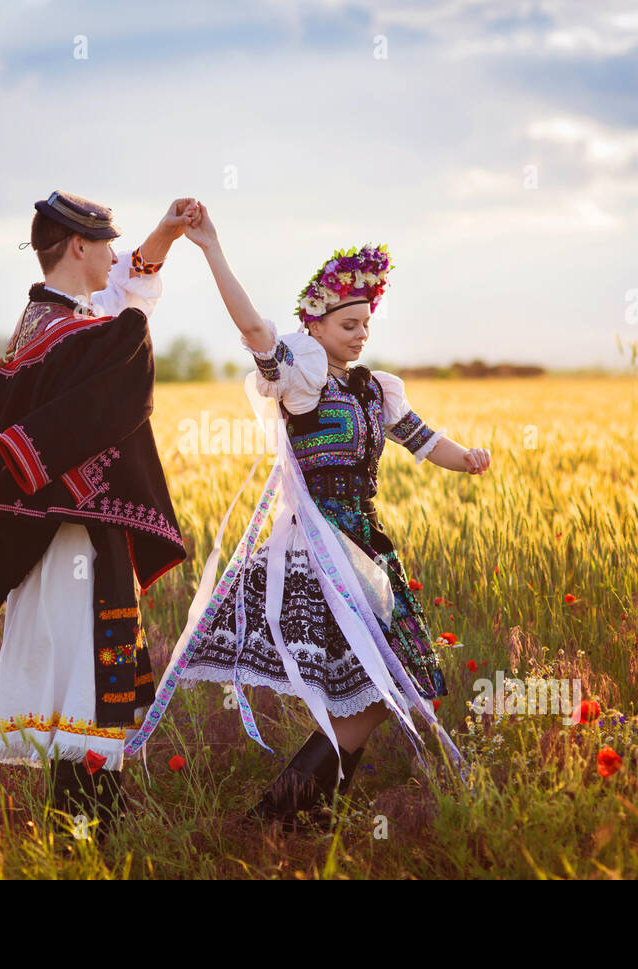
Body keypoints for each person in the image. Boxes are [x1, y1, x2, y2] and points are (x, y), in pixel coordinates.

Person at [125, 203, 491, 828]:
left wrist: (471, 459)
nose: (358, 334)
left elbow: (426, 441)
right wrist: (212, 248)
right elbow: (252, 328)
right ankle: (286, 816)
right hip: (318, 548)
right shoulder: (303, 381)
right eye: (347, 323)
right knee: (378, 682)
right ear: (315, 326)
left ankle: (289, 814)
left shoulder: (378, 390)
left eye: (364, 325)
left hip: (367, 544)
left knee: (390, 683)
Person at [0, 189, 197, 838]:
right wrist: (132, 323)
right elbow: (123, 353)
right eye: (105, 244)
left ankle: (80, 830)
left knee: (75, 688)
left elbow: (124, 291)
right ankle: (93, 835)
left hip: (44, 540)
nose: (114, 255)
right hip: (80, 541)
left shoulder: (36, 328)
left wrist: (164, 234)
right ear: (79, 245)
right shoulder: (87, 335)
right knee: (90, 686)